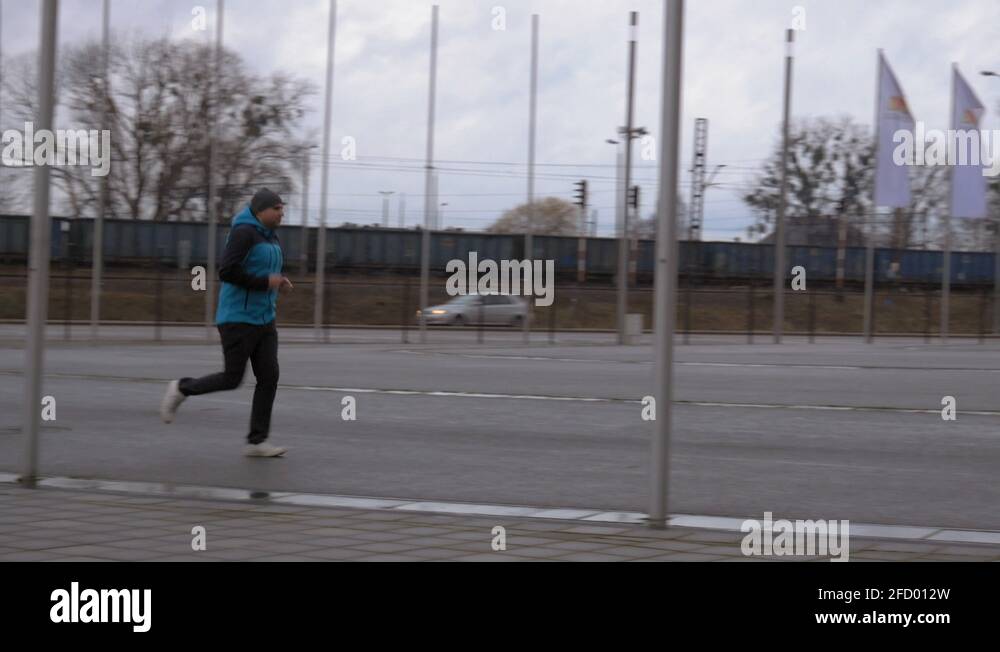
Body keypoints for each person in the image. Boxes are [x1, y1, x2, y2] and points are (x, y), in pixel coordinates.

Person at [160, 188, 293, 457]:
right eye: (277, 208)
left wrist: (280, 282)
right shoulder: (244, 232)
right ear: (261, 210)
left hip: (265, 319)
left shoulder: (271, 236)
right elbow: (228, 271)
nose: (282, 213)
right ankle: (181, 388)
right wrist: (266, 282)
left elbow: (264, 270)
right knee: (232, 378)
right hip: (237, 319)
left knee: (269, 377)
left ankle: (257, 442)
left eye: (282, 208)